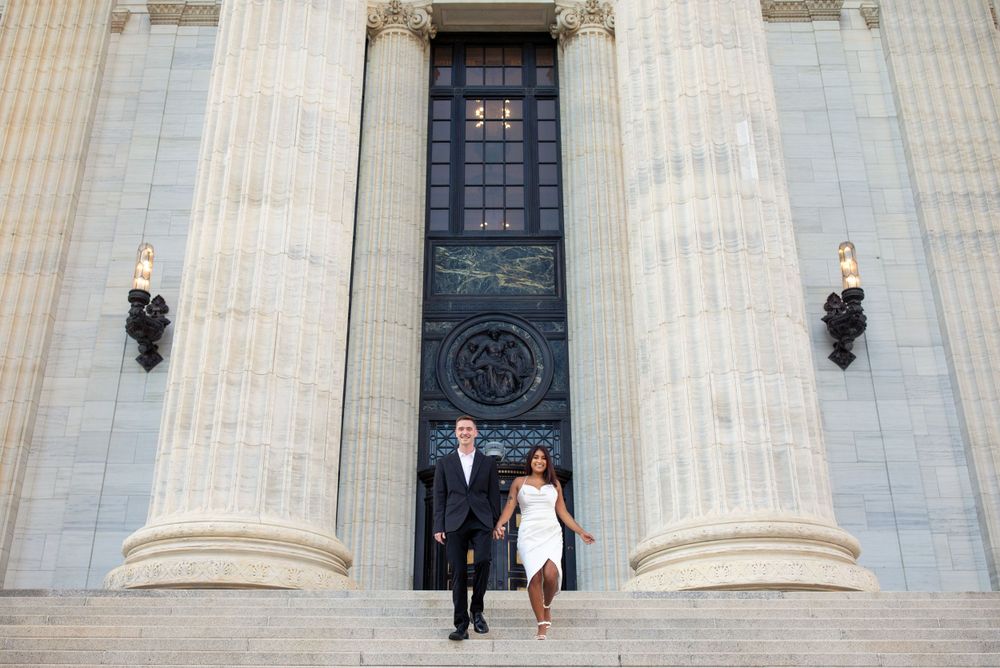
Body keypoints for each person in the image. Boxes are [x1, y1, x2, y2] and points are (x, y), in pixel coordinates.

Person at [493, 445, 595, 640]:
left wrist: (581, 532)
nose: (539, 461)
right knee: (534, 577)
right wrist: (500, 523)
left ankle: (547, 605)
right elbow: (509, 506)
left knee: (551, 574)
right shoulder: (519, 482)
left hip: (551, 533)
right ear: (530, 461)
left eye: (543, 458)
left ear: (547, 461)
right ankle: (541, 624)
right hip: (529, 534)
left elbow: (562, 512)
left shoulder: (554, 483)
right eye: (535, 457)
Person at [433, 415, 501, 641]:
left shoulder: (488, 463)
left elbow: (493, 495)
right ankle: (461, 624)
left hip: (481, 519)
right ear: (455, 433)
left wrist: (496, 522)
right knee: (459, 572)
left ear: (476, 433)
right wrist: (438, 525)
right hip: (454, 521)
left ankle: (477, 610)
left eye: (468, 429)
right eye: (460, 429)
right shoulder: (444, 463)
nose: (464, 432)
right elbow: (440, 496)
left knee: (483, 561)